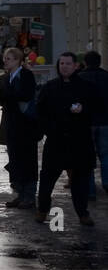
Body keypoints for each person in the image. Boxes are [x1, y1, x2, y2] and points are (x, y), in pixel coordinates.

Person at [34, 51, 100, 226]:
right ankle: (42, 210)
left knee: (80, 181)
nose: (64, 67)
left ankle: (82, 213)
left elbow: (97, 108)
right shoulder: (50, 87)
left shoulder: (86, 87)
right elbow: (40, 111)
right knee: (47, 179)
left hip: (79, 141)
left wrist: (83, 110)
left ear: (75, 66)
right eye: (61, 63)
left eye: (68, 63)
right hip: (56, 140)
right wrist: (48, 129)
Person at [0, 46, 40, 209]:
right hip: (11, 125)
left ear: (17, 60)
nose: (5, 61)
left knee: (28, 161)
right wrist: (8, 96)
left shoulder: (26, 75)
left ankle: (29, 196)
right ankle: (20, 194)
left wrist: (8, 96)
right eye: (5, 59)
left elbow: (26, 95)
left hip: (26, 126)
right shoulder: (4, 78)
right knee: (14, 161)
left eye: (8, 59)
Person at [79, 50, 108, 200]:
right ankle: (107, 183)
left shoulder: (79, 78)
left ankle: (90, 190)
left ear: (85, 62)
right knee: (105, 155)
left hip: (86, 122)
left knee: (87, 157)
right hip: (105, 121)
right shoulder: (106, 76)